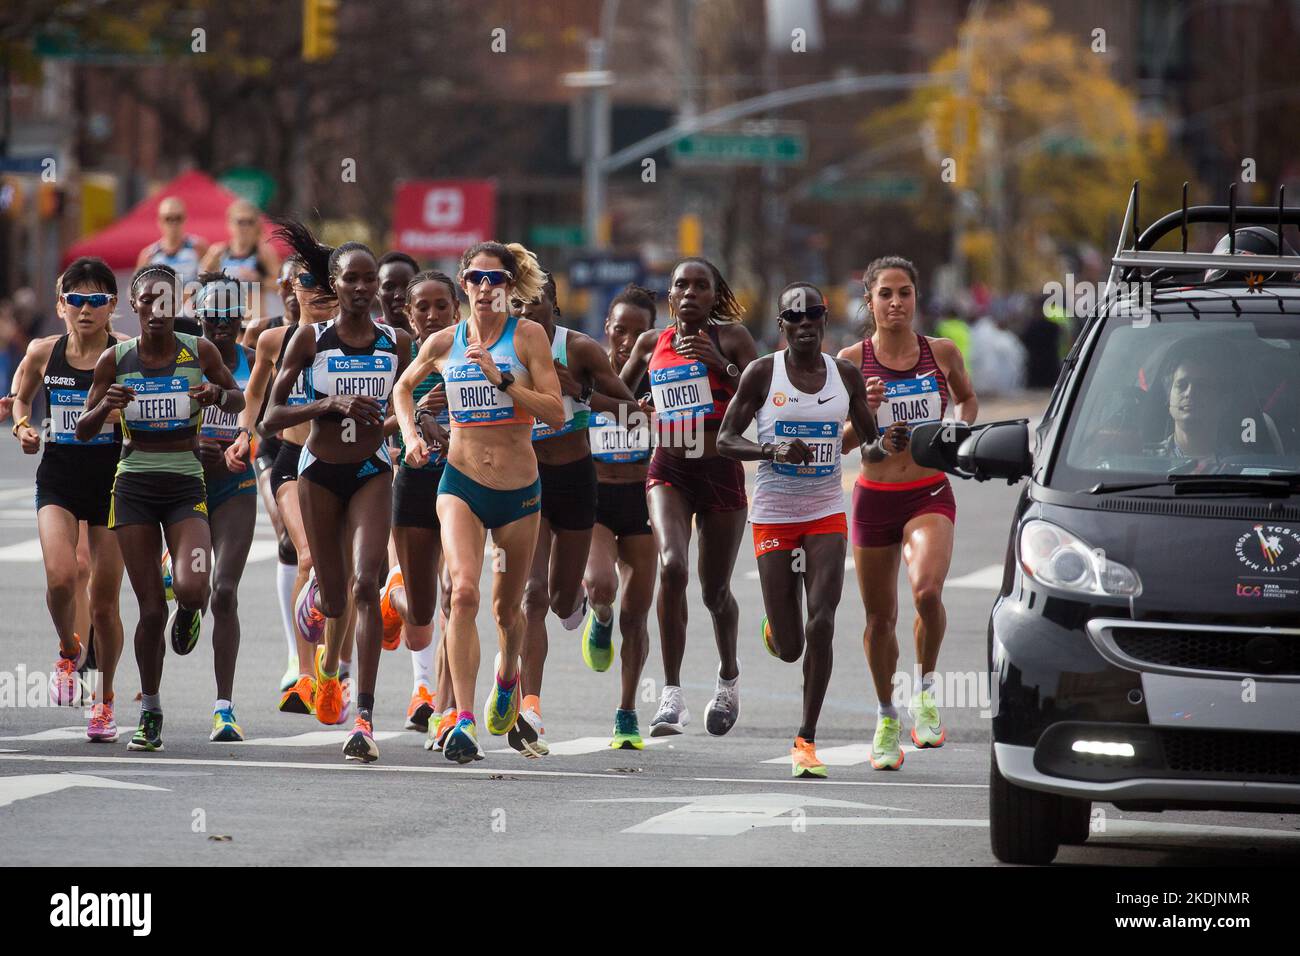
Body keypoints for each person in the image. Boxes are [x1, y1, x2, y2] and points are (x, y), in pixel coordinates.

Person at [719, 283, 907, 777]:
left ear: (825, 322)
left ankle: (806, 739)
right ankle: (775, 629)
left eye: (814, 317)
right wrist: (770, 451)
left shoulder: (844, 375)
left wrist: (885, 441)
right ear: (781, 325)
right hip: (776, 514)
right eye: (794, 318)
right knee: (791, 645)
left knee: (822, 621)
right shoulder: (763, 374)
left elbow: (867, 447)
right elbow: (724, 439)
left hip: (825, 512)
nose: (805, 325)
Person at [393, 241, 564, 764]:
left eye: (496, 280)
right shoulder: (445, 342)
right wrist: (411, 437)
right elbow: (403, 388)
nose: (485, 289)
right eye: (475, 279)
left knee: (506, 610)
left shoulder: (528, 336)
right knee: (462, 592)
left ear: (510, 287)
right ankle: (462, 719)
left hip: (518, 496)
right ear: (463, 284)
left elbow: (556, 412)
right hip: (460, 485)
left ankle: (508, 674)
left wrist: (503, 378)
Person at [77, 263, 244, 752]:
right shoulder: (116, 359)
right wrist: (103, 405)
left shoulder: (200, 351)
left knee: (194, 587)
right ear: (135, 305)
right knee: (150, 609)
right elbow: (83, 431)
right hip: (133, 486)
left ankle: (189, 610)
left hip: (186, 484)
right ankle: (150, 711)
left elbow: (237, 399)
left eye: (167, 300)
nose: (157, 309)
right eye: (148, 299)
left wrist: (216, 393)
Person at [263, 221, 410, 763]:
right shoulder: (310, 339)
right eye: (351, 279)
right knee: (334, 597)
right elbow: (269, 418)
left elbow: (407, 404)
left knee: (367, 584)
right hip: (318, 472)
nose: (363, 288)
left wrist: (411, 425)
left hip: (372, 470)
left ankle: (365, 716)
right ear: (336, 284)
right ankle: (325, 660)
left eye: (370, 280)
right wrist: (329, 405)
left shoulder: (397, 342)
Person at [838, 256, 978, 771]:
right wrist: (868, 417)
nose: (896, 302)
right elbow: (841, 441)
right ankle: (885, 716)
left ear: (916, 298)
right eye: (885, 294)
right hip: (874, 497)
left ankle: (924, 690)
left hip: (927, 492)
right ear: (869, 301)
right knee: (880, 617)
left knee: (926, 591)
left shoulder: (940, 353)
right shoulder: (851, 362)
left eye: (904, 293)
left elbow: (965, 399)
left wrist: (956, 432)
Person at [617, 257, 758, 737]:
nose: (691, 293)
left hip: (720, 470)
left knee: (714, 591)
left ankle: (728, 678)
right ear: (670, 296)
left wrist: (722, 365)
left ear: (714, 295)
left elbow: (762, 398)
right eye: (682, 285)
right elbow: (617, 391)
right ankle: (671, 697)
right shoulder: (649, 343)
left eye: (702, 286)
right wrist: (634, 406)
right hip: (669, 467)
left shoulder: (733, 338)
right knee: (671, 566)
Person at [514, 272, 638, 756]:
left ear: (555, 309)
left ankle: (585, 609)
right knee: (532, 596)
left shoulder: (582, 349)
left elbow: (633, 413)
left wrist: (582, 395)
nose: (528, 313)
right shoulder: (503, 351)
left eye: (537, 304)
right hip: (526, 483)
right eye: (519, 305)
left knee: (564, 601)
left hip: (576, 481)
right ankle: (530, 707)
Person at [10, 258, 127, 740]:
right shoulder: (43, 352)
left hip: (113, 481)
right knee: (62, 577)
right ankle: (67, 651)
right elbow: (19, 397)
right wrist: (22, 425)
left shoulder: (128, 354)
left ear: (111, 306)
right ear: (60, 306)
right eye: (75, 300)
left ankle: (104, 703)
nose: (85, 309)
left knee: (104, 600)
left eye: (96, 300)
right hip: (58, 475)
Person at [227, 257, 337, 707]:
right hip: (293, 459)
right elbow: (255, 392)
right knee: (307, 555)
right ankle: (304, 673)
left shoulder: (364, 340)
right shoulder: (274, 339)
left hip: (345, 462)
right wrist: (244, 435)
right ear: (293, 286)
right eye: (308, 281)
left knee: (344, 574)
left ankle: (333, 665)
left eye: (329, 281)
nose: (319, 291)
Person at [378, 270, 458, 737]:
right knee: (424, 612)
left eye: (441, 307)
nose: (431, 316)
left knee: (457, 593)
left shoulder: (471, 352)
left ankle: (447, 710)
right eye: (422, 308)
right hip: (412, 482)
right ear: (409, 315)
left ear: (456, 309)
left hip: (463, 484)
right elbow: (379, 421)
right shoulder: (397, 357)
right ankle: (395, 594)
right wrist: (415, 419)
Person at [581, 284, 659, 749]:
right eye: (620, 329)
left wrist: (657, 422)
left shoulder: (662, 380)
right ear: (606, 328)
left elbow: (684, 443)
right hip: (597, 500)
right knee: (602, 586)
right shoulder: (587, 373)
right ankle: (599, 616)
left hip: (644, 501)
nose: (627, 340)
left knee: (637, 613)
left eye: (639, 332)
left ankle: (627, 712)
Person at [194, 274, 259, 741]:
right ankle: (182, 597)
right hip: (186, 488)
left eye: (228, 318)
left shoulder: (255, 365)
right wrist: (195, 444)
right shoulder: (182, 361)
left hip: (236, 487)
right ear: (199, 318)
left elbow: (268, 424)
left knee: (225, 594)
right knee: (192, 590)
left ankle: (224, 708)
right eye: (211, 318)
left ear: (241, 320)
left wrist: (245, 444)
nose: (220, 327)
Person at [136, 197, 207, 290]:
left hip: (191, 303)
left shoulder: (198, 247)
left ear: (185, 219)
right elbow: (135, 290)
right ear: (160, 221)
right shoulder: (148, 255)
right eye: (168, 218)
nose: (174, 223)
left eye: (178, 218)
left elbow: (210, 281)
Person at [376, 251, 419, 334]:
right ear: (376, 292)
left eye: (408, 286)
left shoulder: (437, 338)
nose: (398, 296)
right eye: (389, 287)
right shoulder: (364, 337)